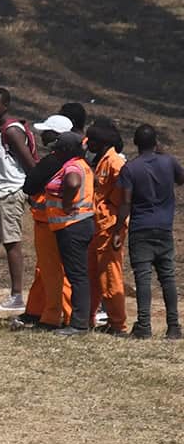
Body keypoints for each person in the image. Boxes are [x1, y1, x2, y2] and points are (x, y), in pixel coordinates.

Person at [113, 124, 184, 340]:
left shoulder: (130, 168)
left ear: (135, 143)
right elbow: (181, 179)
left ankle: (144, 326)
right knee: (168, 277)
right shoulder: (169, 162)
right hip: (164, 227)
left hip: (140, 228)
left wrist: (117, 230)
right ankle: (174, 327)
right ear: (156, 141)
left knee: (143, 278)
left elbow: (125, 202)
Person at [0, 88, 37, 312]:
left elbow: (30, 165)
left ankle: (16, 295)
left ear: (5, 106)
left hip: (11, 192)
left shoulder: (11, 131)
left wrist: (31, 193)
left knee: (11, 243)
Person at [15, 115, 74, 330]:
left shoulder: (53, 161)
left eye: (47, 132)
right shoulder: (75, 161)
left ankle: (61, 316)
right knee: (47, 271)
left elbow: (30, 185)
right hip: (59, 223)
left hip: (50, 223)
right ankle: (38, 311)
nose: (42, 135)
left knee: (55, 271)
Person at [45, 132, 96, 336]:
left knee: (77, 276)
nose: (55, 152)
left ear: (67, 151)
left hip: (72, 226)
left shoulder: (72, 167)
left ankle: (79, 323)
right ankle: (80, 320)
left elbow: (73, 183)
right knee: (78, 274)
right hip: (78, 225)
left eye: (58, 149)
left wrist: (67, 203)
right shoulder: (83, 165)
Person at [85, 118, 128, 335]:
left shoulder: (115, 163)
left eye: (91, 140)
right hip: (97, 226)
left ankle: (117, 323)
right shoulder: (101, 161)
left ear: (101, 141)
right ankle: (87, 318)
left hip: (110, 227)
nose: (87, 144)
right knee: (92, 273)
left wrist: (118, 229)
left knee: (110, 275)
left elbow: (124, 199)